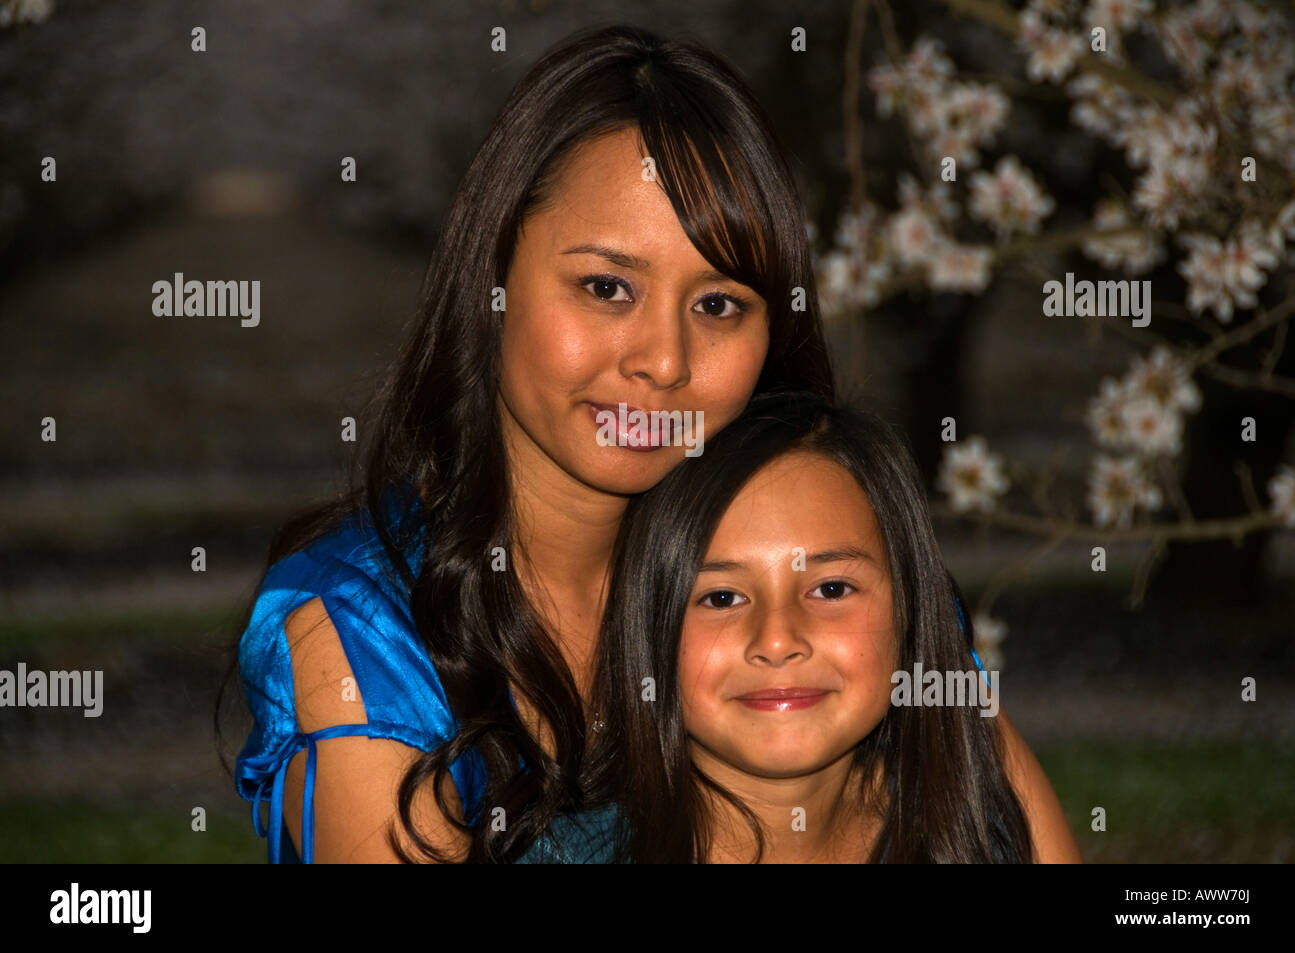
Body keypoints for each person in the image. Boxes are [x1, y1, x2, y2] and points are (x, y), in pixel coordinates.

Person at [216, 22, 835, 863]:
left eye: (719, 304)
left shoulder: (828, 570)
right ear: (494, 278)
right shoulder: (365, 622)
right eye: (607, 286)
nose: (662, 360)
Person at [586, 390, 1083, 862]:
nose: (777, 641)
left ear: (912, 608)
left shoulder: (970, 836)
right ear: (645, 625)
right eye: (721, 597)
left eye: (830, 590)